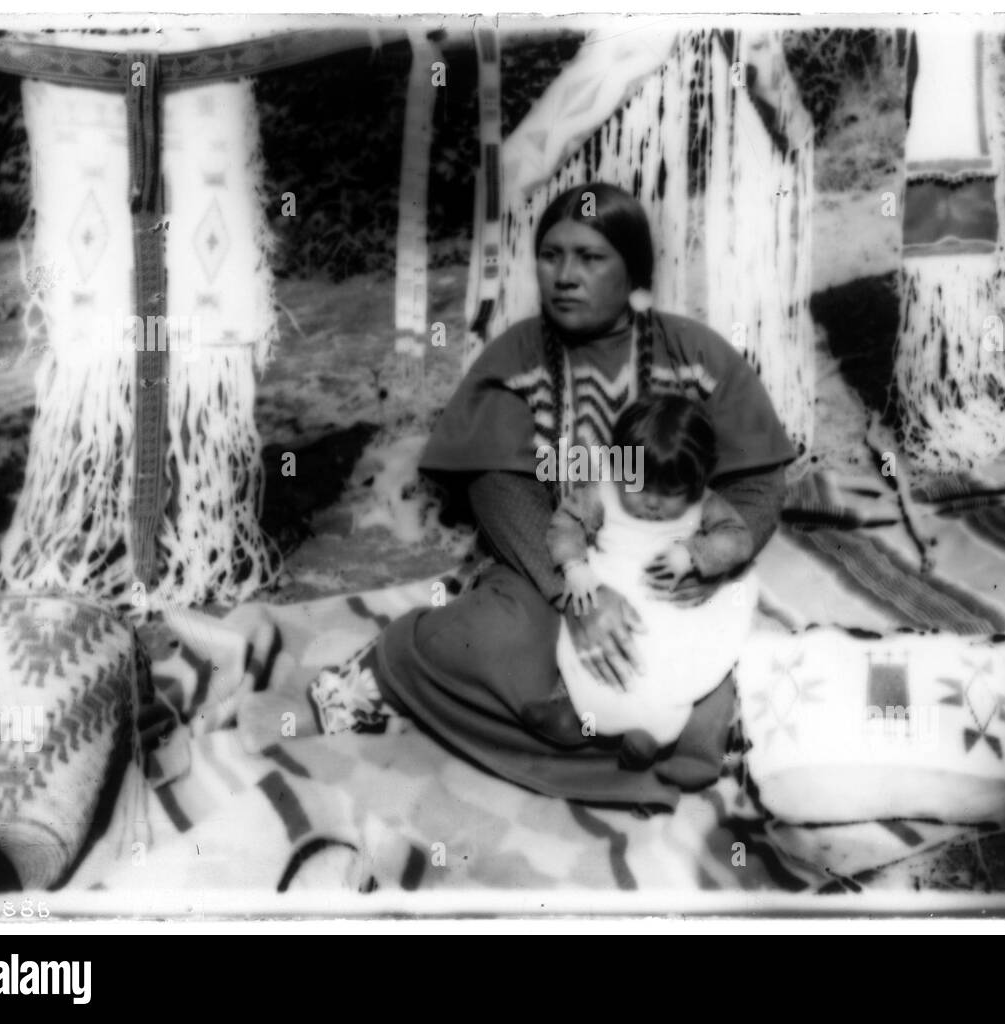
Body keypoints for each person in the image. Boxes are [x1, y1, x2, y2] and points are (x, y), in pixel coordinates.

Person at [313, 181, 795, 811]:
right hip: (546, 563)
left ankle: (654, 731)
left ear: (634, 269)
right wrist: (576, 596)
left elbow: (758, 482)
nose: (565, 276)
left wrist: (715, 561)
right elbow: (500, 492)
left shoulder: (694, 353)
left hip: (676, 567)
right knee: (487, 643)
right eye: (551, 255)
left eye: (591, 258)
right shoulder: (517, 357)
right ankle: (393, 666)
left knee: (736, 657)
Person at [549, 393, 759, 769]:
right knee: (592, 650)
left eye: (669, 494)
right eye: (638, 486)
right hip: (615, 585)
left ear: (697, 481)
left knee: (670, 662)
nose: (650, 503)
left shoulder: (703, 503)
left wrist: (694, 552)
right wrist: (574, 567)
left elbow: (739, 538)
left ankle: (654, 734)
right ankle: (576, 711)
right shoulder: (604, 491)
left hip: (673, 602)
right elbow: (567, 522)